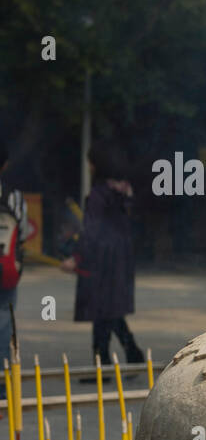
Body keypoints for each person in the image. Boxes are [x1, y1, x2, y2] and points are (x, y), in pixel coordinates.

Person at [61, 143, 146, 370]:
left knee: (104, 311)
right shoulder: (124, 190)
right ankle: (121, 357)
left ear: (97, 164)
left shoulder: (98, 195)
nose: (88, 166)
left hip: (100, 262)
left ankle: (105, 363)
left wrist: (76, 258)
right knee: (109, 311)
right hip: (120, 259)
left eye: (90, 162)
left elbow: (91, 232)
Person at [0, 140, 26, 358]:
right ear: (5, 164)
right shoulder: (14, 197)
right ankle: (2, 383)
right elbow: (23, 234)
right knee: (5, 321)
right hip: (6, 268)